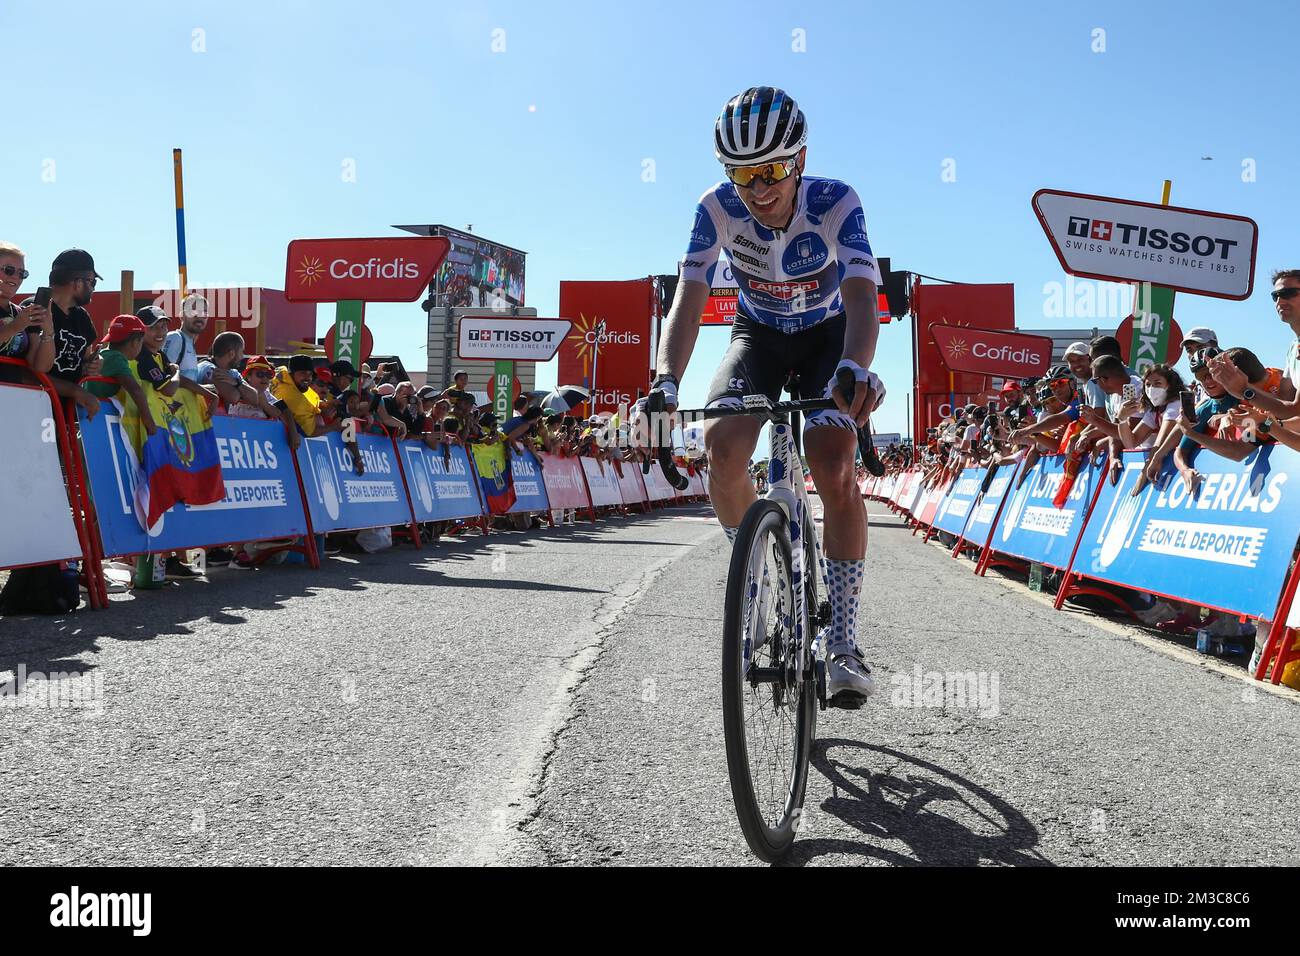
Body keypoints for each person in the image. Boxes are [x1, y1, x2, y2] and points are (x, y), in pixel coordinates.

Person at [642, 87, 884, 707]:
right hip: (759, 336)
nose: (758, 187)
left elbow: (861, 294)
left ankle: (843, 641)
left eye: (772, 170)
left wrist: (856, 365)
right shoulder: (716, 208)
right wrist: (666, 381)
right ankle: (753, 567)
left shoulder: (835, 201)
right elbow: (688, 301)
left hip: (827, 336)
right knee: (723, 449)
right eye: (743, 173)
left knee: (833, 467)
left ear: (798, 160)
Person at [45, 249, 104, 420]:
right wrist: (76, 391)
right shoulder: (37, 308)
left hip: (68, 413)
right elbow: (27, 372)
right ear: (78, 282)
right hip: (34, 410)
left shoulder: (82, 317)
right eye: (93, 282)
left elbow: (84, 362)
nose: (93, 289)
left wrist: (93, 365)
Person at [0, 242, 55, 382]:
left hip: (14, 395)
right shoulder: (21, 319)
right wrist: (15, 326)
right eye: (9, 270)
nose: (16, 277)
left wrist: (48, 331)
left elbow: (41, 366)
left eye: (22, 273)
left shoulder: (20, 313)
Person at [162, 293, 209, 383]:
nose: (199, 316)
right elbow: (165, 375)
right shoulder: (175, 338)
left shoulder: (190, 344)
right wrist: (202, 390)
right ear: (182, 316)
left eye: (204, 313)